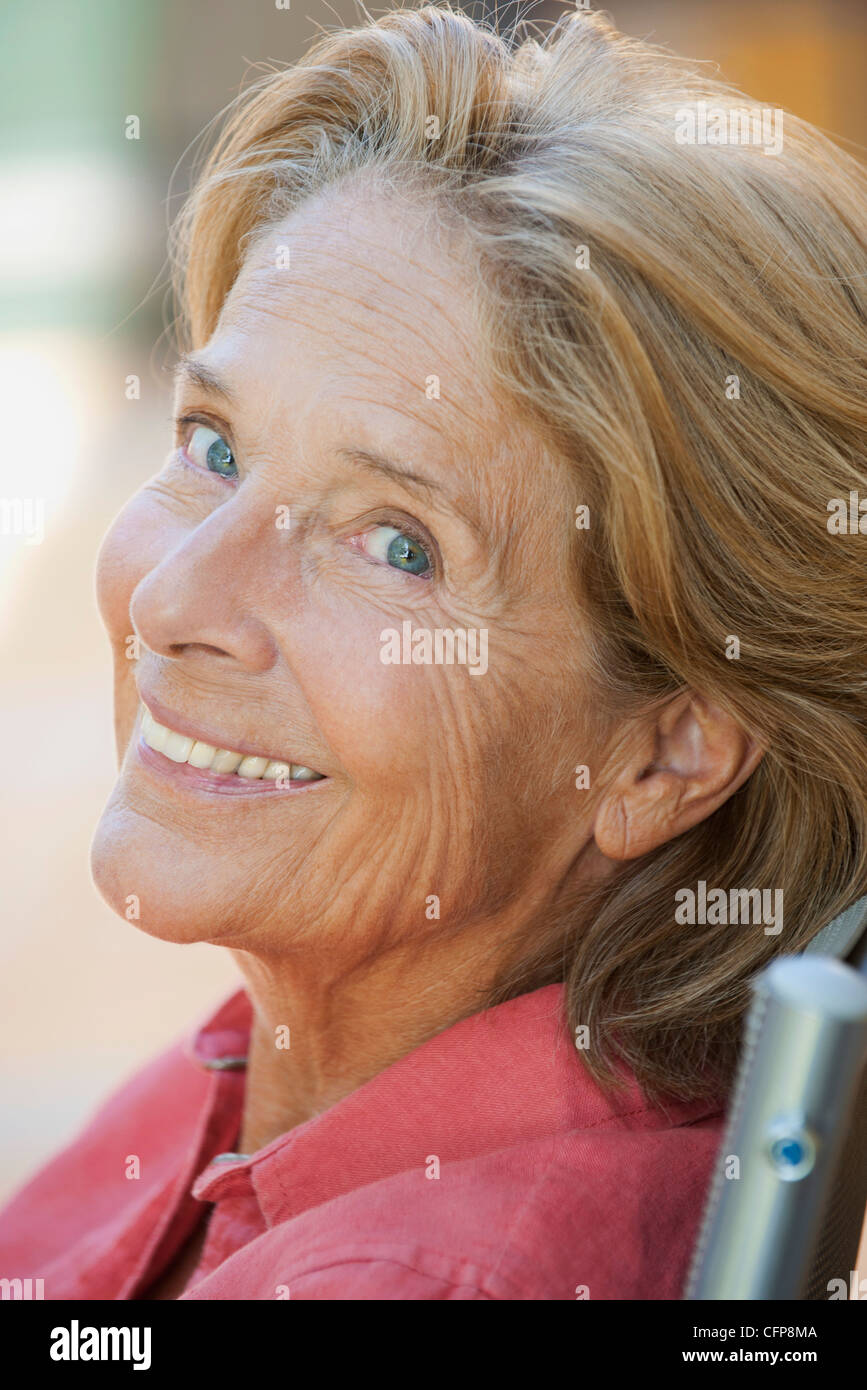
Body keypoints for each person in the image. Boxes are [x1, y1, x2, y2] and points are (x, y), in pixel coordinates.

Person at [1, 4, 865, 1299]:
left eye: (394, 544)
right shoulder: (279, 1080)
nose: (175, 594)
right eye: (213, 448)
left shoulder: (420, 1273)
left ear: (666, 750)